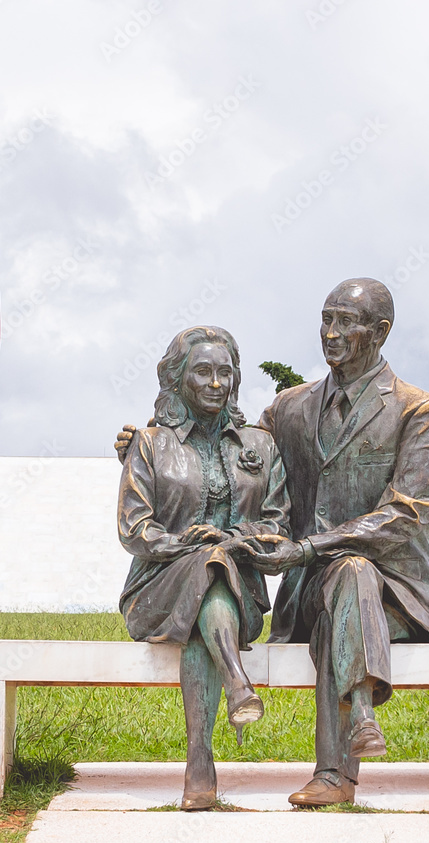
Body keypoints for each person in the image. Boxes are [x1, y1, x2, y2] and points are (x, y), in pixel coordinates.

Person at [116, 279, 429, 808]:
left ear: (381, 332)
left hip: (394, 593)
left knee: (355, 572)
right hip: (307, 590)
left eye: (347, 322)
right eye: (327, 319)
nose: (332, 332)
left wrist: (311, 547)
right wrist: (150, 442)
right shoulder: (289, 409)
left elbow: (408, 512)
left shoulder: (419, 410)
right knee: (341, 579)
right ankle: (356, 723)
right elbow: (227, 446)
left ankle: (338, 769)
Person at [117, 325, 290, 811]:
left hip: (240, 598)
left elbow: (278, 526)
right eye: (203, 372)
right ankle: (236, 686)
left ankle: (200, 760)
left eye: (225, 373)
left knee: (213, 568)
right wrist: (180, 542)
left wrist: (234, 540)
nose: (216, 383)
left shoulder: (260, 445)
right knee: (205, 561)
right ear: (179, 379)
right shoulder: (149, 444)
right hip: (156, 591)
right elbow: (133, 530)